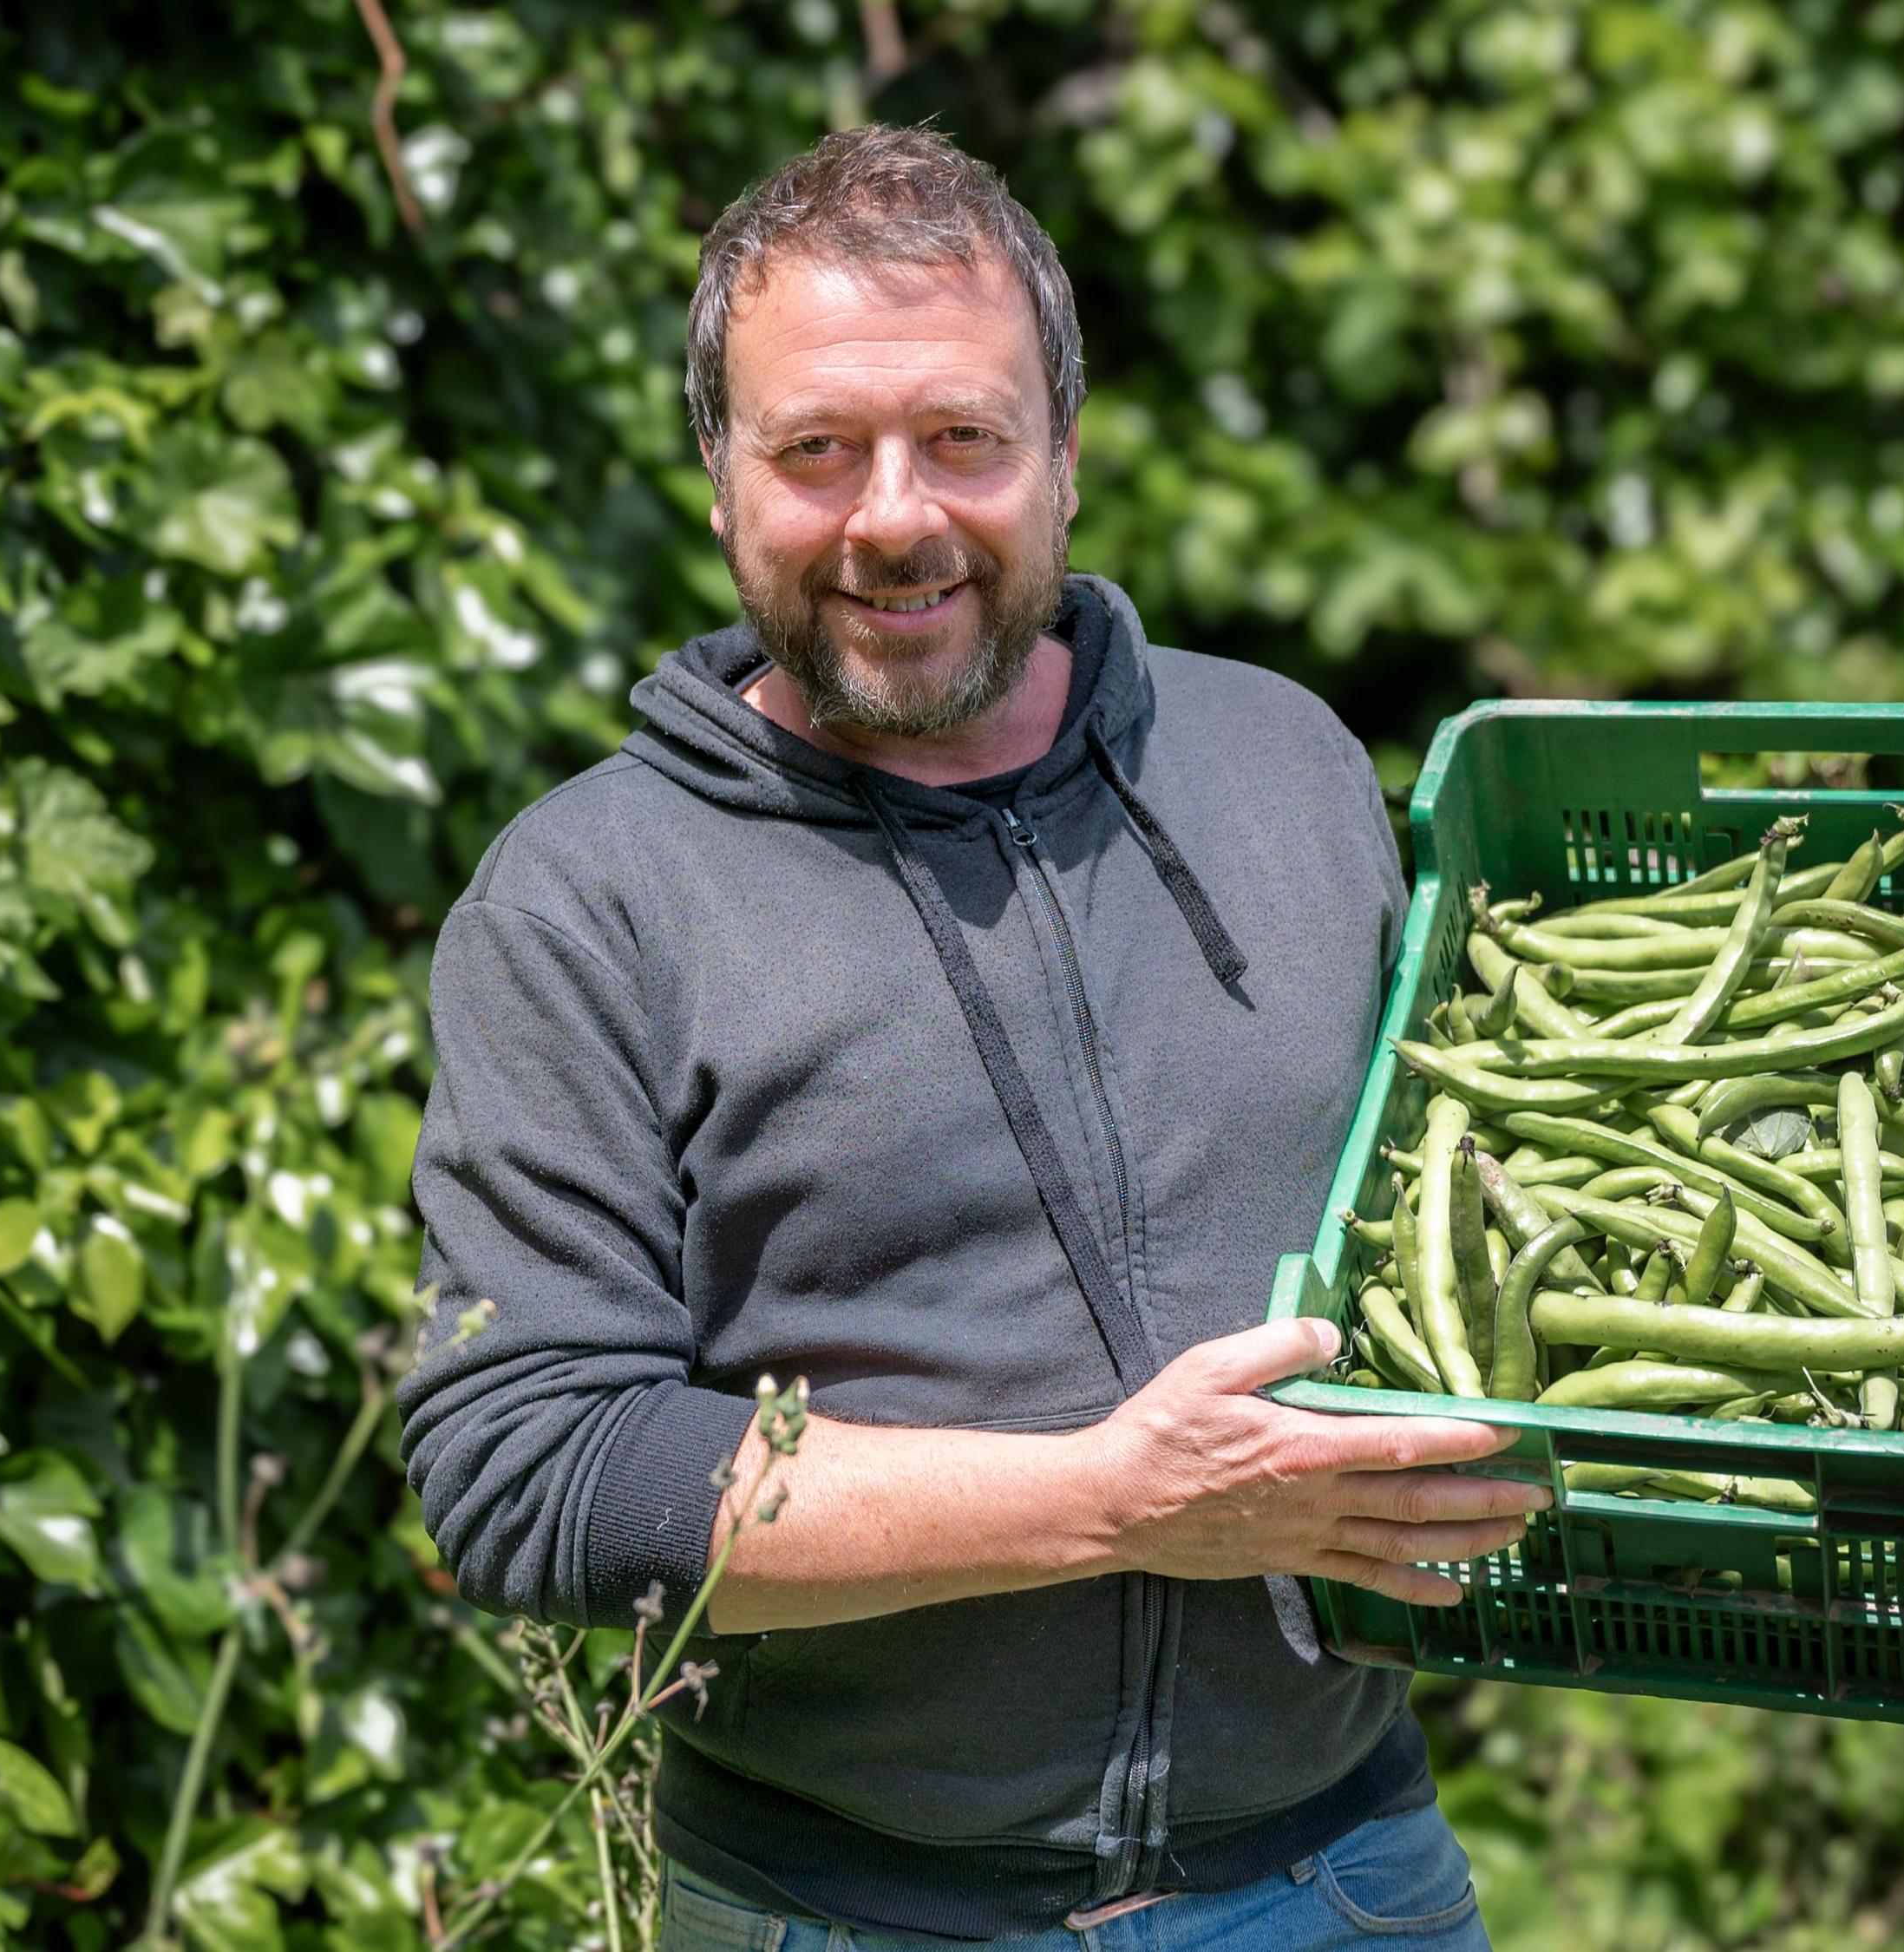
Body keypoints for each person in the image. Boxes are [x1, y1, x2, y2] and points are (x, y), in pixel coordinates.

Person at [399, 124, 1547, 1949]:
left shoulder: (1286, 769)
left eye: (959, 439)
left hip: (1344, 1873)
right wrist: (1105, 1505)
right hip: (844, 1911)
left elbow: (1477, 1222)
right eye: (815, 451)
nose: (893, 515)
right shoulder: (587, 896)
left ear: (1063, 459)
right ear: (720, 479)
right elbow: (531, 1472)